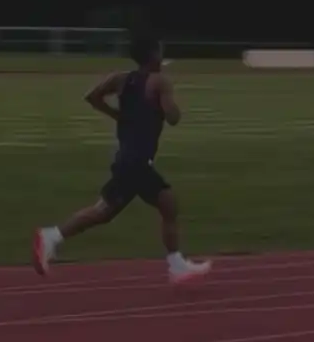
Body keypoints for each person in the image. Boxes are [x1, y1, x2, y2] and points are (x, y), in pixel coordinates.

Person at [32, 32, 211, 284]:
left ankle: (176, 263)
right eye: (160, 51)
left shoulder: (121, 79)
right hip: (137, 162)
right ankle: (51, 236)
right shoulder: (159, 82)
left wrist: (117, 115)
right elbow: (173, 118)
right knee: (136, 207)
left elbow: (92, 97)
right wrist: (168, 99)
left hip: (128, 158)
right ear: (154, 54)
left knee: (133, 208)